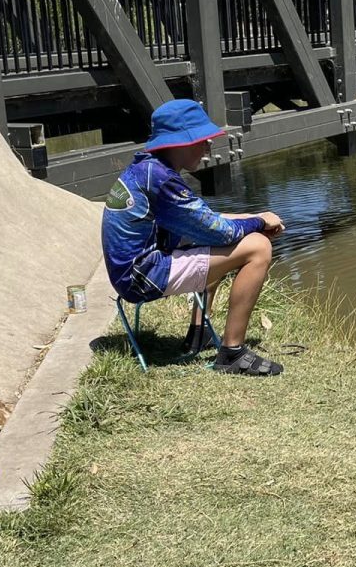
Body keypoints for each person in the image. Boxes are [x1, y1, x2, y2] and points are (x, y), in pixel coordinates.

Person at [102, 99, 286, 376]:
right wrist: (259, 223)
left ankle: (199, 333)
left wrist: (255, 216)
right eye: (203, 140)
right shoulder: (163, 180)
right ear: (181, 143)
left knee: (215, 241)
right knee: (258, 247)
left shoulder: (148, 170)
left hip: (133, 271)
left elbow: (203, 221)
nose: (208, 147)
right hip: (142, 277)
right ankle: (232, 354)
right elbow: (220, 231)